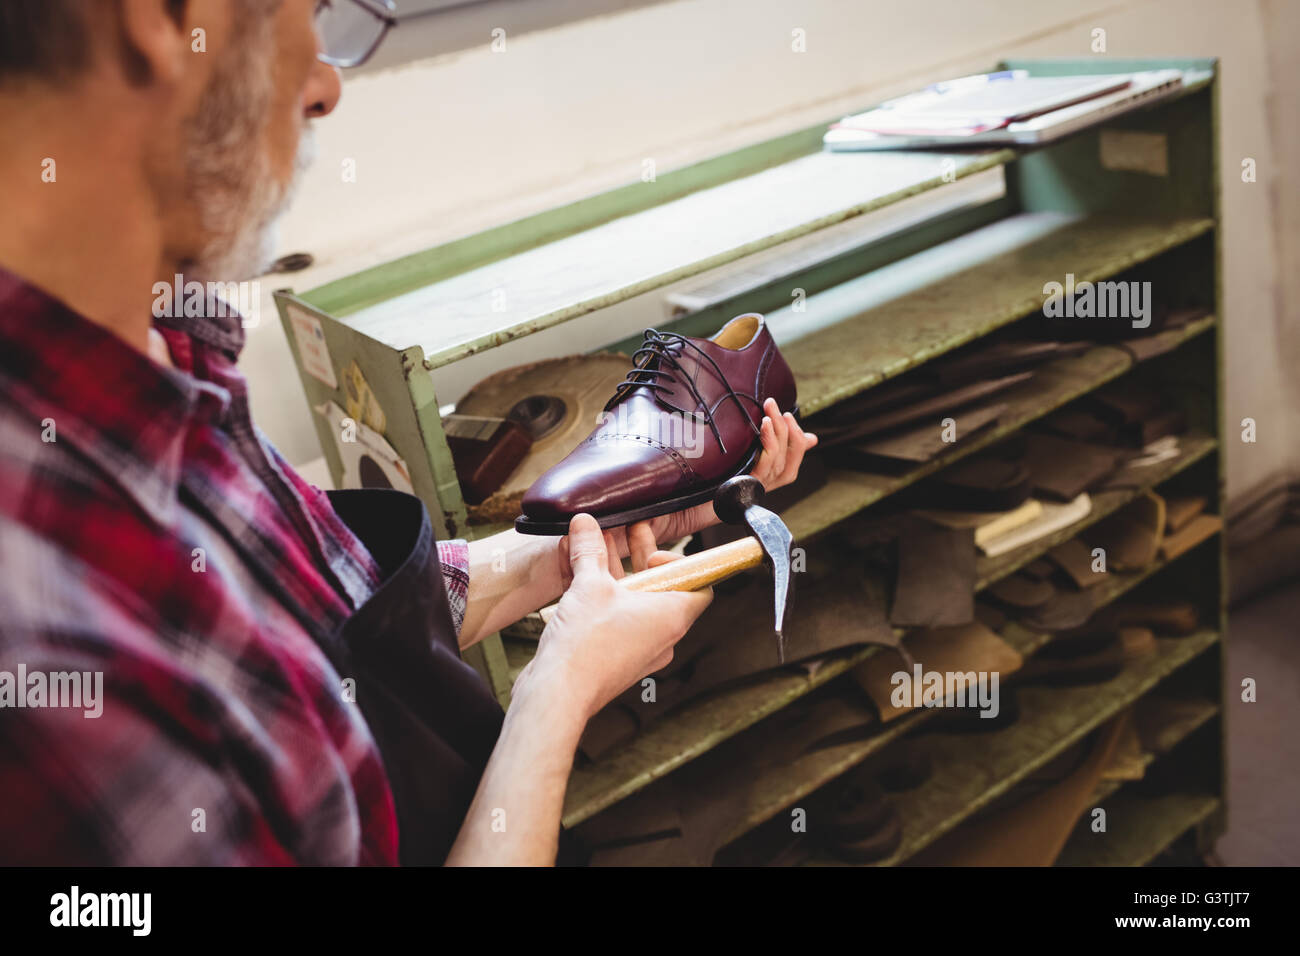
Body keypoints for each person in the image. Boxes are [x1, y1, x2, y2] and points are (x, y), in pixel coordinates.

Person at [0, 0, 817, 865]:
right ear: (164, 18)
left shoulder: (159, 354)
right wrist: (561, 689)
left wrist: (564, 558)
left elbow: (323, 609)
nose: (323, 87)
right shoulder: (46, 642)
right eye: (304, 11)